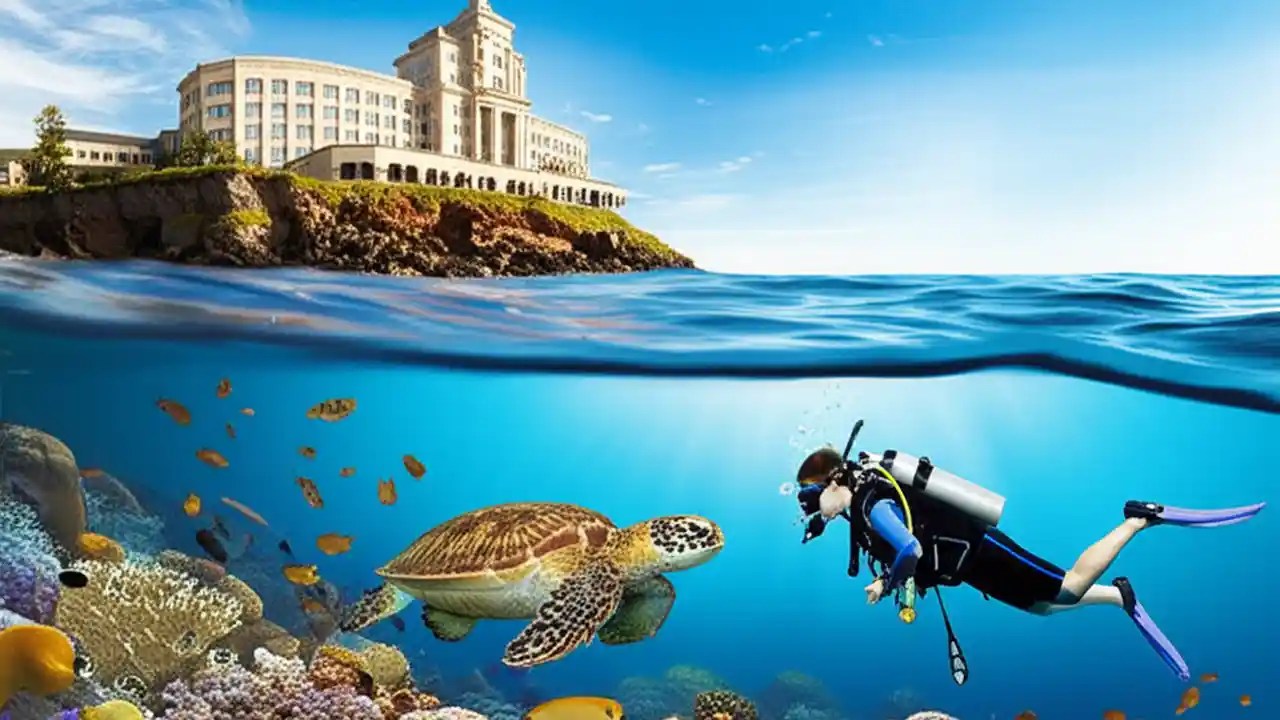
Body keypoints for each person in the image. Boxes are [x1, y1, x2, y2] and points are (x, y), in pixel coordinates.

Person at [795, 420, 1267, 685]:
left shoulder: (873, 505)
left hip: (983, 553)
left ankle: (1139, 517)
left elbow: (912, 549)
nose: (814, 509)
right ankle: (1122, 598)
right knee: (1043, 607)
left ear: (835, 482)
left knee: (1068, 586)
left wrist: (887, 583)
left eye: (812, 499)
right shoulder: (861, 501)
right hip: (972, 568)